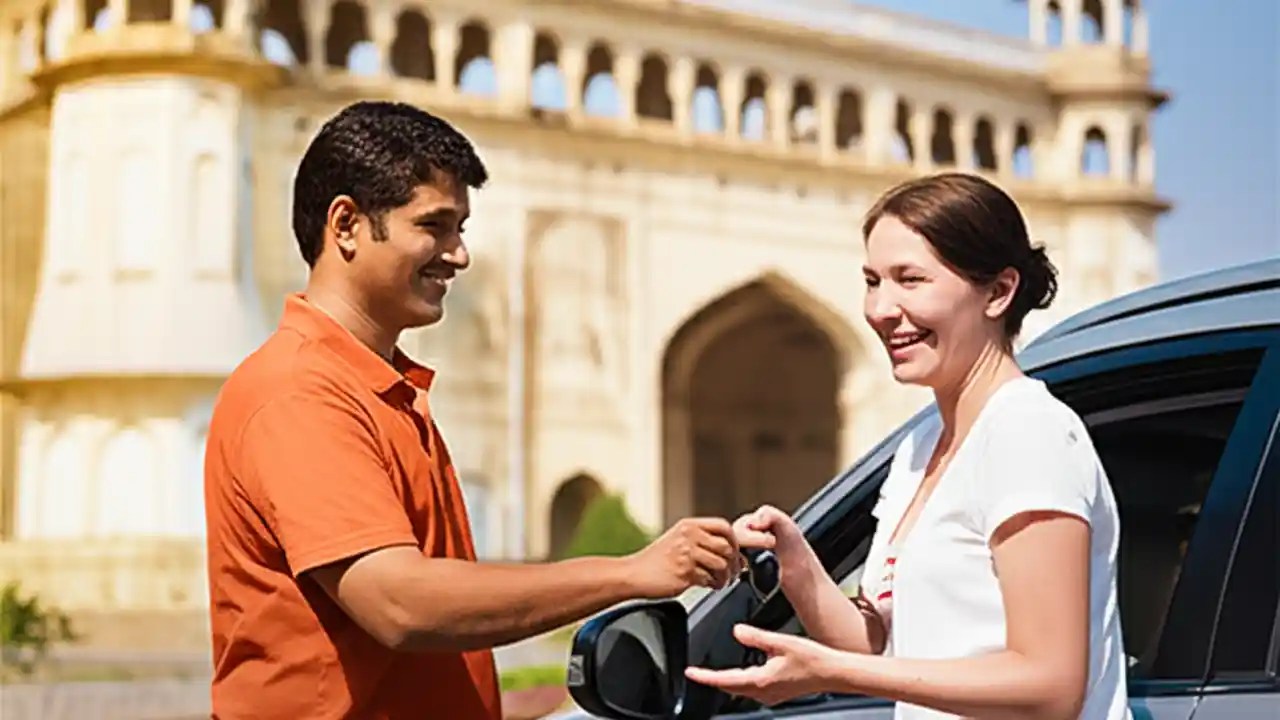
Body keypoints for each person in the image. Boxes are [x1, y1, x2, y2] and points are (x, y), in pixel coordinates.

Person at [203, 101, 741, 720]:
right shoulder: (302, 392)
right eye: (435, 226)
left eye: (461, 229)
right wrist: (628, 573)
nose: (458, 255)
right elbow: (399, 604)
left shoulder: (379, 387)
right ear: (346, 224)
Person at [686, 172, 1130, 720]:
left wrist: (829, 673)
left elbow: (1049, 684)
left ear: (998, 291)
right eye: (873, 281)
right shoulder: (921, 445)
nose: (880, 308)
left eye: (910, 279)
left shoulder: (1028, 432)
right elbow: (883, 648)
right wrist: (798, 564)